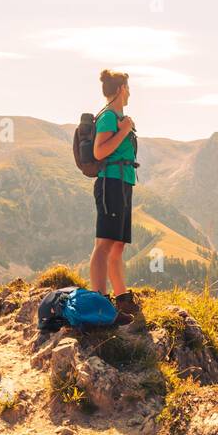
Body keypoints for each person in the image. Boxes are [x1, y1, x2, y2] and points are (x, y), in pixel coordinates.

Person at [88, 69, 141, 321]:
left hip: (122, 183)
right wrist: (125, 130)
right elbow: (99, 152)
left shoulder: (118, 116)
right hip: (111, 183)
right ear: (121, 89)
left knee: (117, 244)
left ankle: (122, 300)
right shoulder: (109, 117)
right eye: (128, 87)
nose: (130, 92)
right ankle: (99, 303)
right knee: (105, 244)